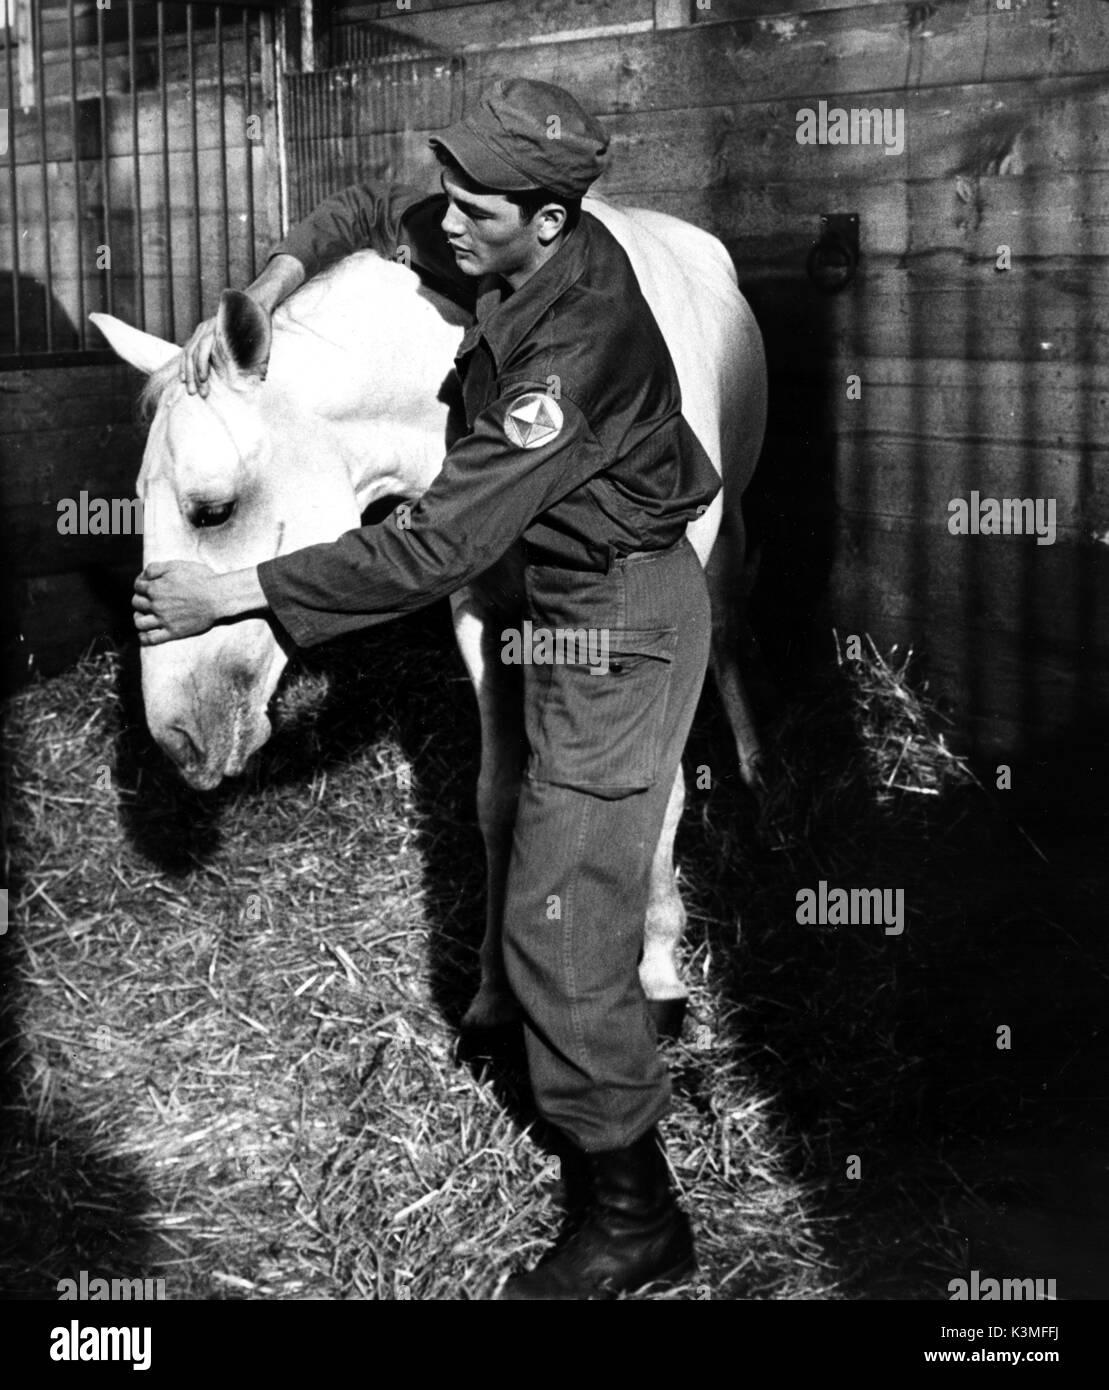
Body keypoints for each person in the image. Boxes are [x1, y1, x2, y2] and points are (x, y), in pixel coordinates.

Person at [133, 79, 721, 1300]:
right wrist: (272, 282)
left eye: (472, 211)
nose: (442, 227)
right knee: (551, 895)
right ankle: (618, 1158)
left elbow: (432, 551)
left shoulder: (564, 351)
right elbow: (361, 207)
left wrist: (230, 595)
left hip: (618, 627)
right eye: (447, 200)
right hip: (570, 604)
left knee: (556, 920)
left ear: (547, 221)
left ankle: (634, 1219)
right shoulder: (518, 241)